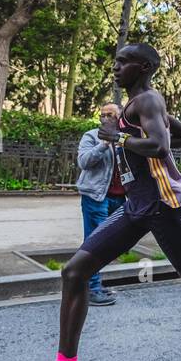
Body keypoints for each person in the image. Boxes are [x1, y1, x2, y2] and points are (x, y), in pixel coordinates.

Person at [7, 44, 181, 361]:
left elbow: (161, 145)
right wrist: (125, 138)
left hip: (164, 206)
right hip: (137, 207)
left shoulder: (147, 100)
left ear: (145, 66)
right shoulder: (141, 105)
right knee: (75, 271)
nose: (115, 67)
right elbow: (179, 136)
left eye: (123, 61)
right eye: (115, 60)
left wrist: (117, 138)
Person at [75, 101, 125, 307]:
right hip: (96, 197)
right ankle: (92, 288)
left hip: (121, 198)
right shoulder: (91, 136)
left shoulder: (126, 138)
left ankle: (91, 282)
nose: (106, 118)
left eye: (111, 115)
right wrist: (104, 144)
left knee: (109, 243)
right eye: (103, 114)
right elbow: (84, 162)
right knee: (95, 242)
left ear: (120, 118)